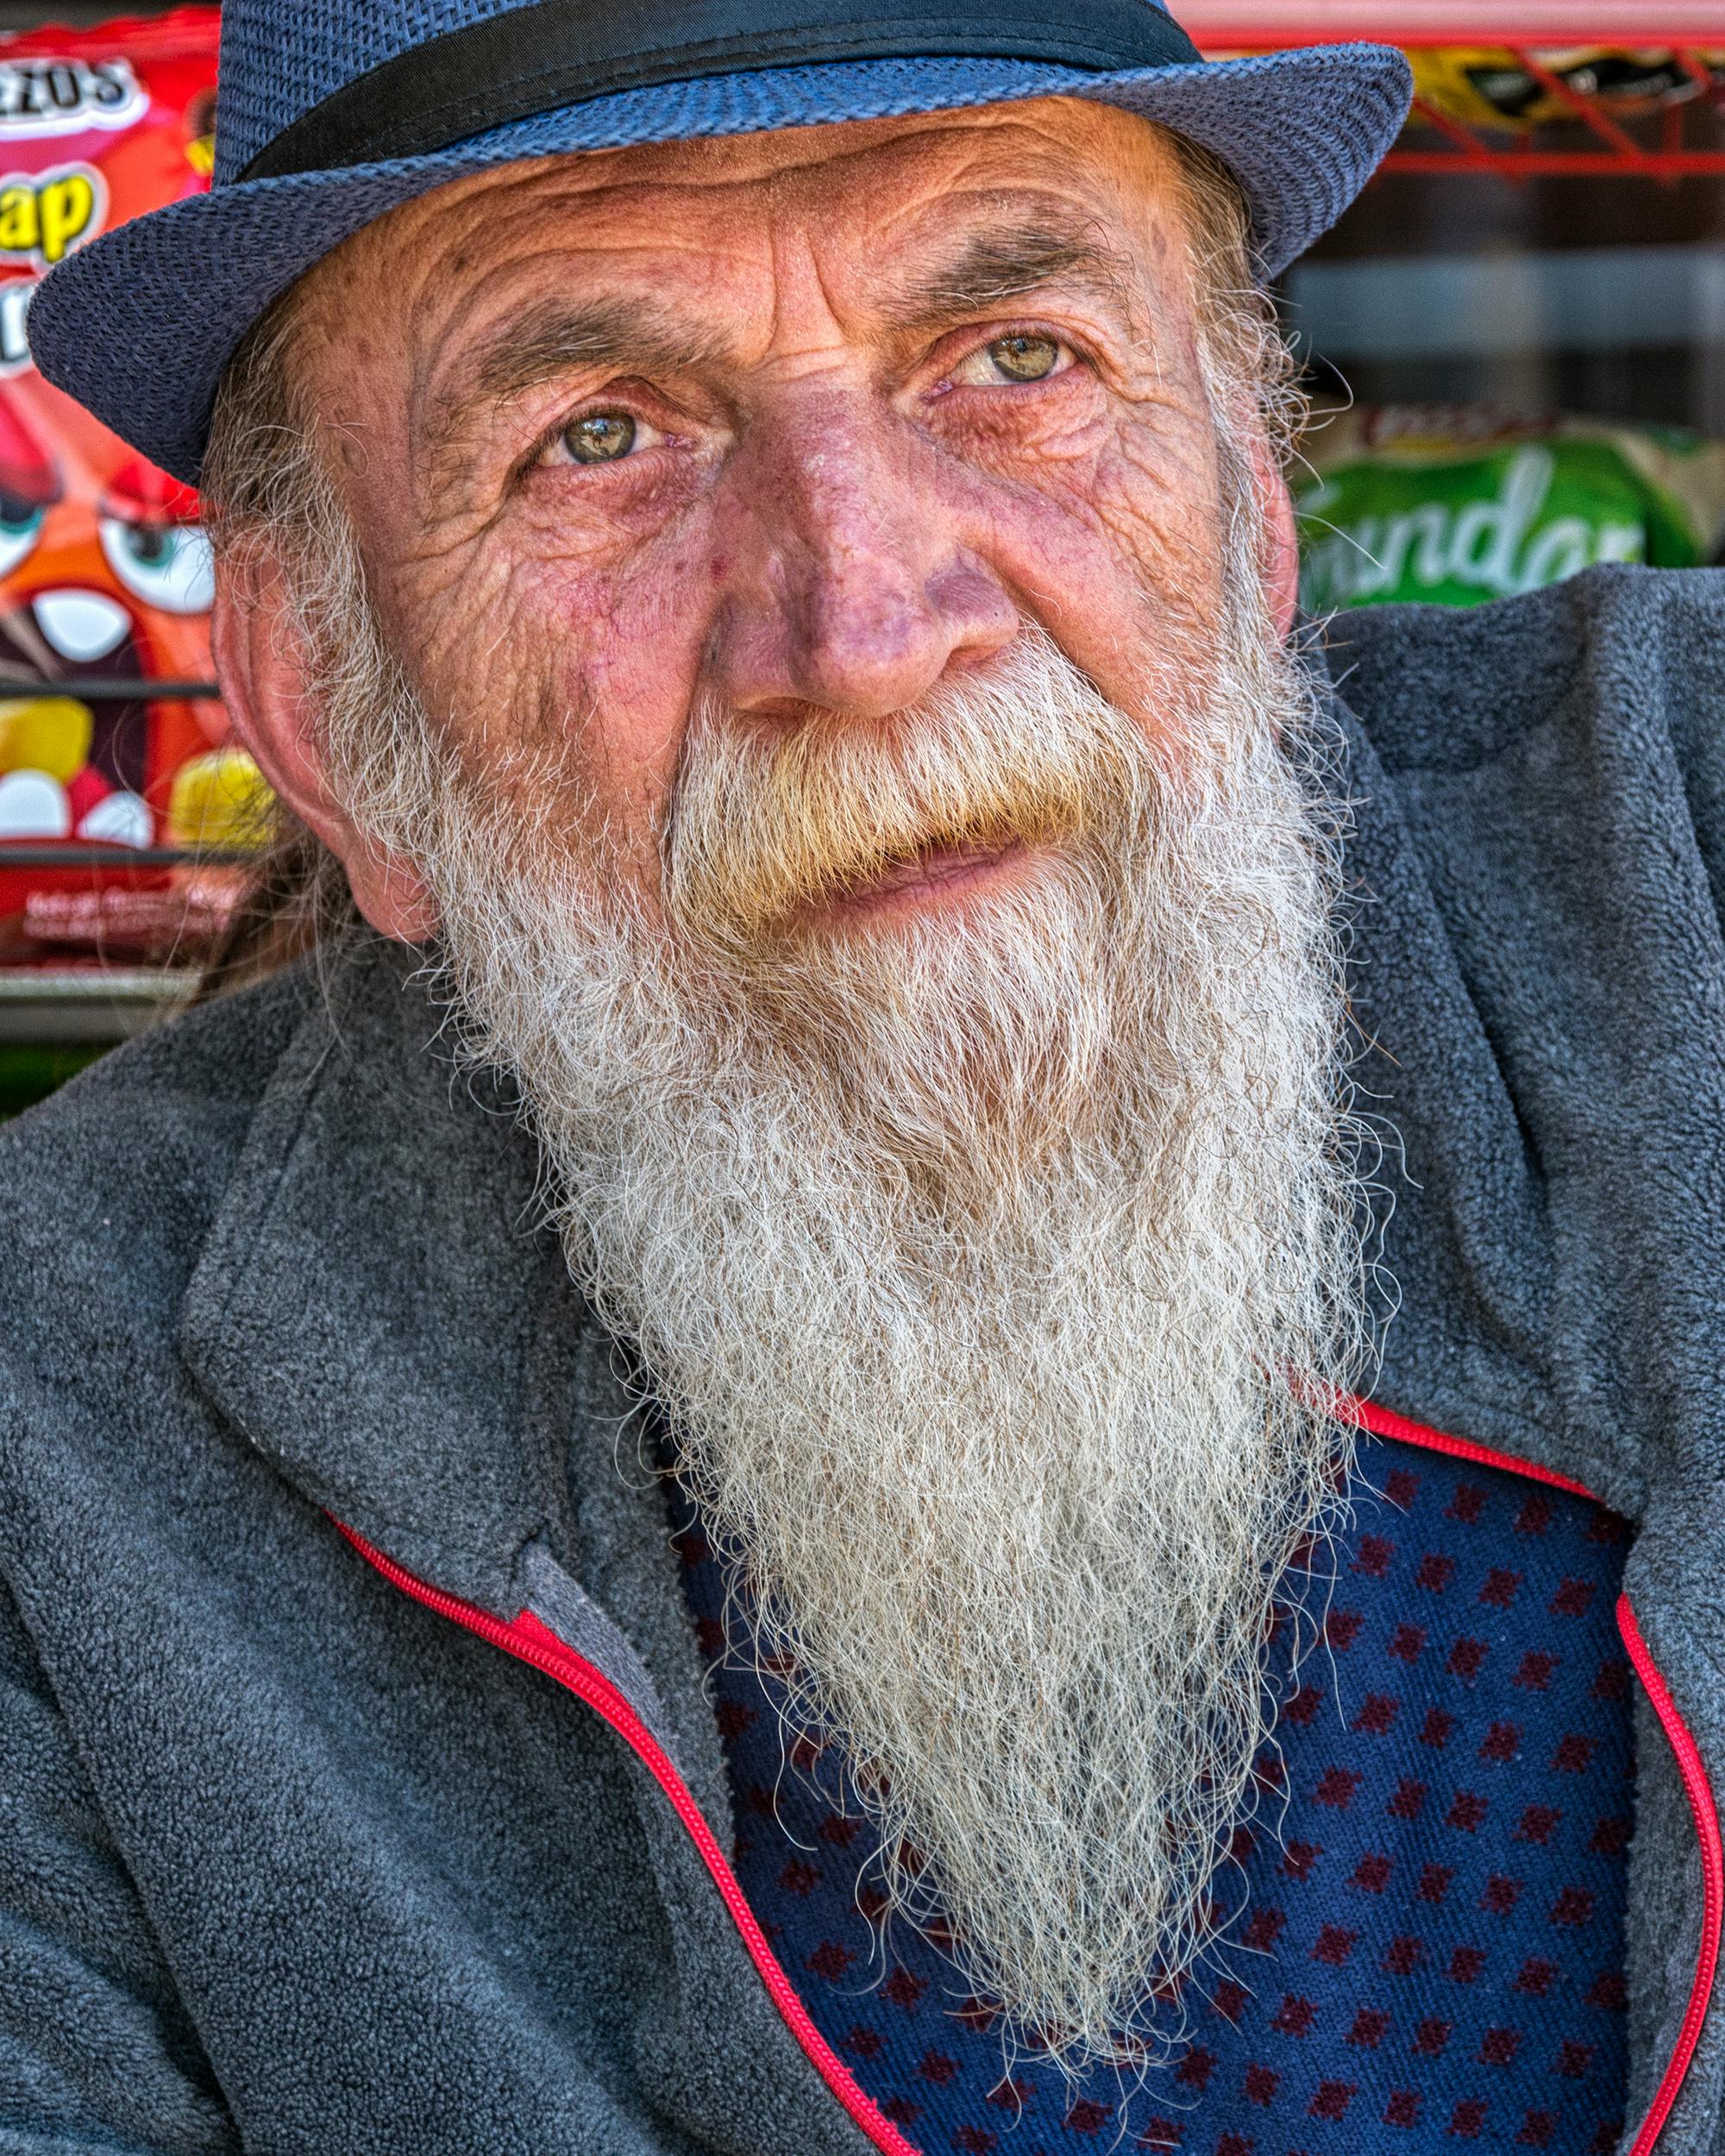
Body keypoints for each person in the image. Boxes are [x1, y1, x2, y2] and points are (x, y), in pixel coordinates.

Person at [3, 2, 1722, 2150]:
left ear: (1255, 509)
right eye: (598, 436)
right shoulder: (55, 1447)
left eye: (1018, 363)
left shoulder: (1685, 861)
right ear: (326, 714)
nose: (865, 626)